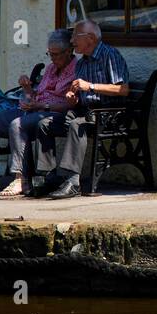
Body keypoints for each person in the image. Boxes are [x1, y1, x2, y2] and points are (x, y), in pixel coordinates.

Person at [0, 29, 81, 196]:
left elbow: (71, 103)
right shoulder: (51, 68)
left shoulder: (77, 70)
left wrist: (42, 106)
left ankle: (21, 179)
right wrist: (27, 88)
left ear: (69, 51)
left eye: (56, 54)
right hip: (34, 109)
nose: (53, 58)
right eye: (50, 54)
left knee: (17, 125)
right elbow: (38, 93)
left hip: (53, 113)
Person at [30, 19, 128, 200]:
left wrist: (90, 86)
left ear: (90, 38)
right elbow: (79, 93)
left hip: (106, 113)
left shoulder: (110, 55)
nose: (72, 40)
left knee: (77, 124)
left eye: (76, 36)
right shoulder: (82, 62)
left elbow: (123, 89)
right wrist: (73, 98)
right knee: (45, 123)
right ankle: (48, 177)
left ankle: (72, 181)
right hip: (84, 111)